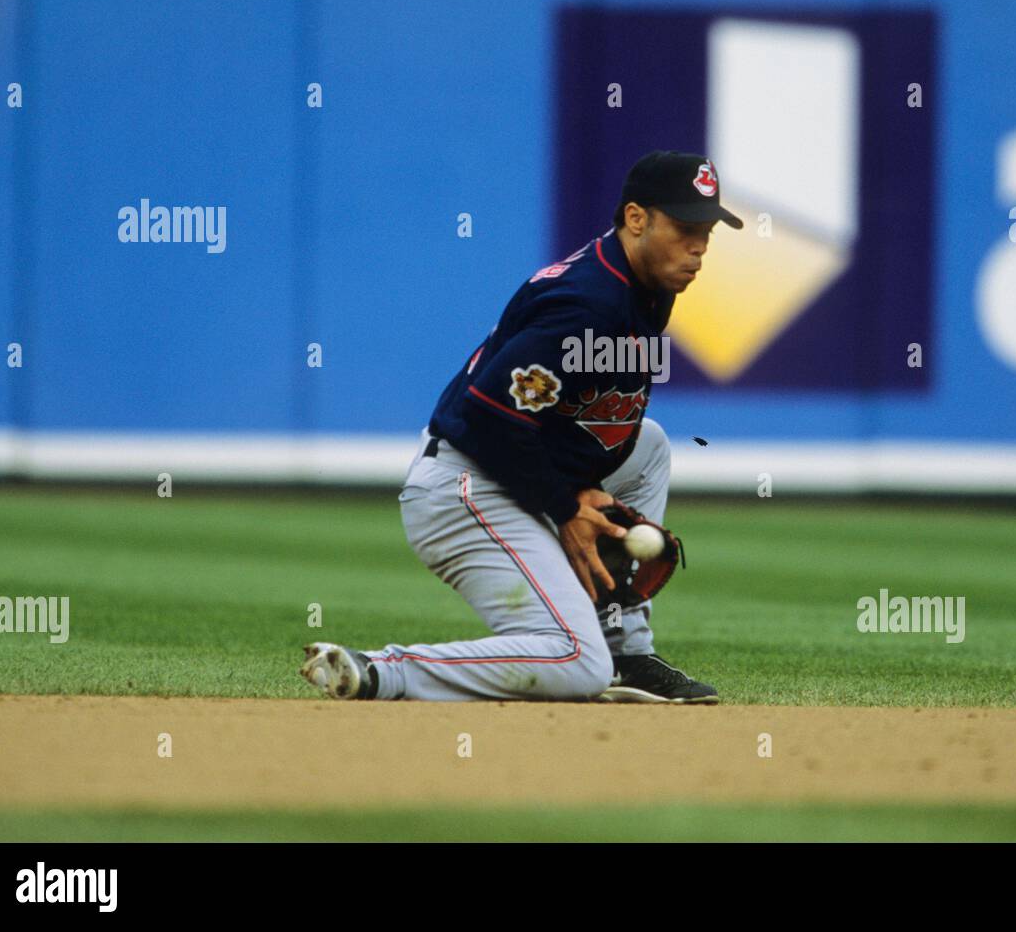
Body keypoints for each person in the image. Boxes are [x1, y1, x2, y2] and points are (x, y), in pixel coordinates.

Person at [300, 150, 743, 703]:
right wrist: (563, 507)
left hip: (510, 471)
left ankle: (626, 651)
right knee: (578, 665)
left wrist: (576, 488)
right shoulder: (587, 303)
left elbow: (563, 416)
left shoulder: (645, 283)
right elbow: (486, 415)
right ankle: (382, 670)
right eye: (684, 229)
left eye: (706, 232)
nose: (699, 247)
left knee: (647, 445)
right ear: (636, 219)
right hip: (464, 487)